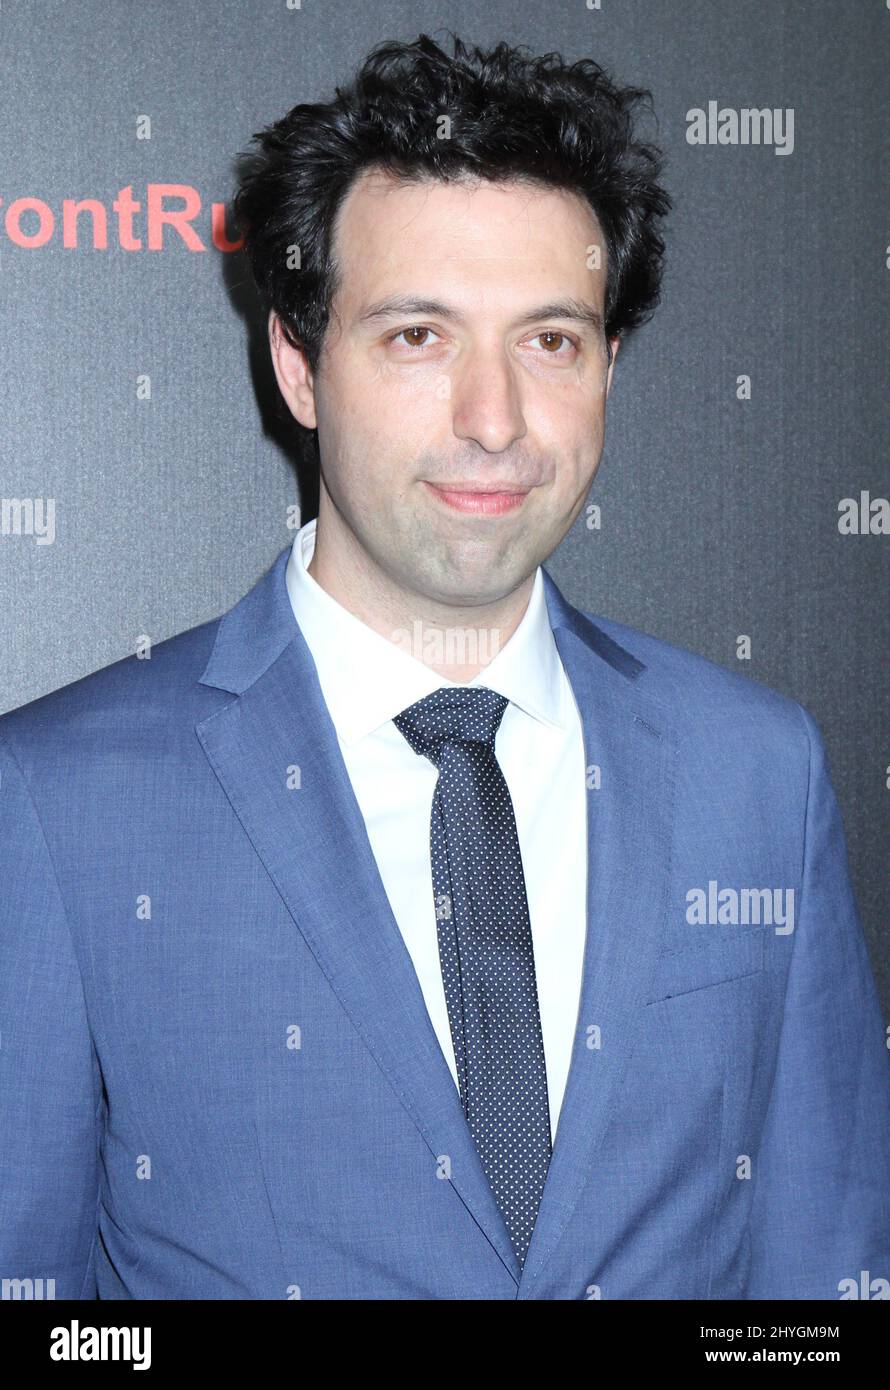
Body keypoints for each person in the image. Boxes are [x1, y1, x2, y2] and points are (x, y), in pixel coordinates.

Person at [1, 32, 888, 1302]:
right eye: (418, 335)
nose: (493, 418)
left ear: (608, 367)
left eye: (549, 341)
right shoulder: (57, 797)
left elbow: (824, 1273)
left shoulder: (754, 769)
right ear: (299, 365)